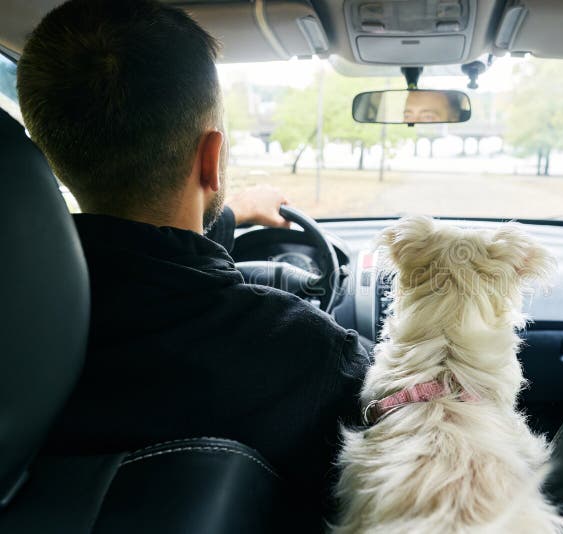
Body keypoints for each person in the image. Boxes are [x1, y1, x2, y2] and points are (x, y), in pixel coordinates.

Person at [15, 0, 368, 521]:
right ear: (211, 157)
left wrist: (229, 212)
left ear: (49, 156)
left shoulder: (16, 331)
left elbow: (132, 249)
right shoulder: (306, 354)